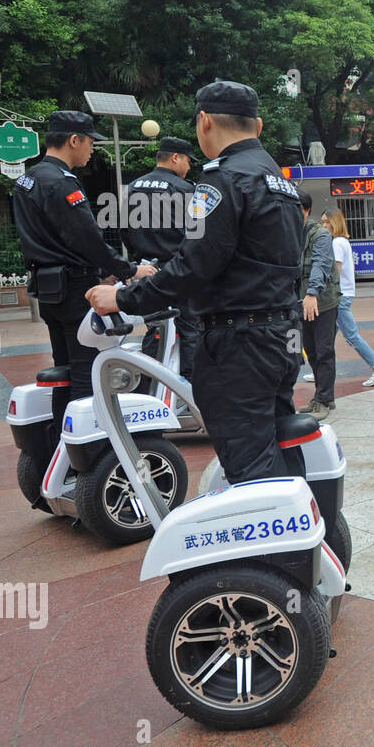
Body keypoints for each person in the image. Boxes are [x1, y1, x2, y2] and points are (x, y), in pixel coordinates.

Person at [86, 80, 301, 484]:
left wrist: (123, 298)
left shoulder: (221, 180)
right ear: (258, 124)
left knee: (249, 465)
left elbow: (193, 269)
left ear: (204, 122)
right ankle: (304, 538)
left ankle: (277, 547)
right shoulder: (278, 179)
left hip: (239, 345)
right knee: (276, 446)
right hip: (281, 334)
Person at [15, 110, 157, 451]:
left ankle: (58, 446)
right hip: (77, 289)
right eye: (91, 141)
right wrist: (128, 271)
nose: (92, 149)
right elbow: (86, 238)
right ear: (74, 140)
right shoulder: (61, 183)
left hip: (49, 289)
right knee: (86, 372)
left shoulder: (28, 178)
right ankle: (87, 451)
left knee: (63, 371)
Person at [122, 137, 198, 377]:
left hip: (147, 271)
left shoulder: (133, 186)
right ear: (175, 157)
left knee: (155, 327)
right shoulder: (186, 189)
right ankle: (189, 390)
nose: (189, 167)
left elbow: (125, 230)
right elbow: (197, 234)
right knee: (190, 330)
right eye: (187, 160)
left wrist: (137, 262)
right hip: (180, 270)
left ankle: (150, 384)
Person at [326, 209, 374, 387]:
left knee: (351, 335)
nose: (323, 226)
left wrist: (326, 291)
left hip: (338, 296)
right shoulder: (342, 241)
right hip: (343, 294)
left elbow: (336, 271)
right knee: (327, 336)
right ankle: (321, 370)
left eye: (326, 222)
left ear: (335, 223)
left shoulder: (337, 243)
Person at [297, 192, 340, 420]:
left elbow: (320, 264)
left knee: (324, 351)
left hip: (322, 301)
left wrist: (312, 292)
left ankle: (323, 399)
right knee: (311, 351)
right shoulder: (291, 234)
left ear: (305, 210)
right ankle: (323, 395)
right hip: (301, 303)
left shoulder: (321, 235)